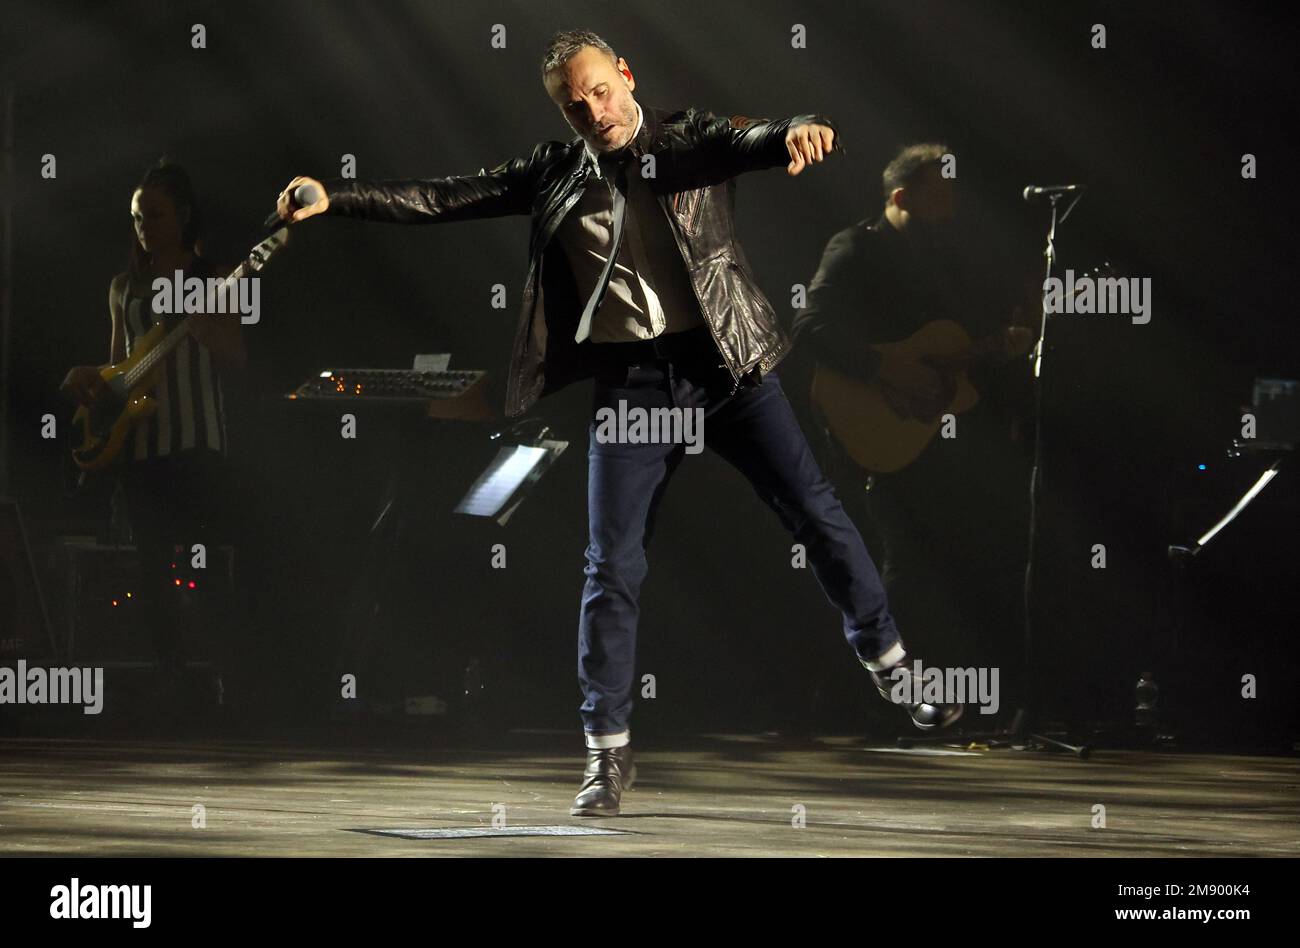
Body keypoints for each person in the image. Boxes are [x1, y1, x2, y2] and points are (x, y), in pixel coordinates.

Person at [274, 31, 961, 817]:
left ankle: (893, 666)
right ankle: (606, 756)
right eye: (575, 104)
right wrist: (340, 197)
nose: (592, 111)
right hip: (634, 385)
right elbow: (446, 196)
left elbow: (757, 137)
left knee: (816, 512)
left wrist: (798, 126)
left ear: (625, 75)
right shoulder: (554, 172)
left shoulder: (689, 138)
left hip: (726, 367)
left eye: (600, 90)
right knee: (612, 564)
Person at [789, 143, 1033, 666]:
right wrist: (885, 367)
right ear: (900, 197)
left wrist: (999, 349)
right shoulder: (855, 247)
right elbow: (809, 326)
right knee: (904, 559)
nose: (951, 207)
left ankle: (945, 682)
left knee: (947, 556)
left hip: (930, 436)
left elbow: (951, 360)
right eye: (938, 196)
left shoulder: (949, 263)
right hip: (869, 423)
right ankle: (885, 693)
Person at [62, 160, 245, 696]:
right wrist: (86, 377)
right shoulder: (123, 288)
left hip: (198, 444)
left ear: (183, 217)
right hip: (140, 448)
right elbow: (118, 368)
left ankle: (225, 678)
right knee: (151, 566)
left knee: (204, 563)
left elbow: (235, 355)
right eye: (138, 217)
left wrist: (202, 321)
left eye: (155, 215)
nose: (145, 227)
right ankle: (172, 679)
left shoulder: (213, 280)